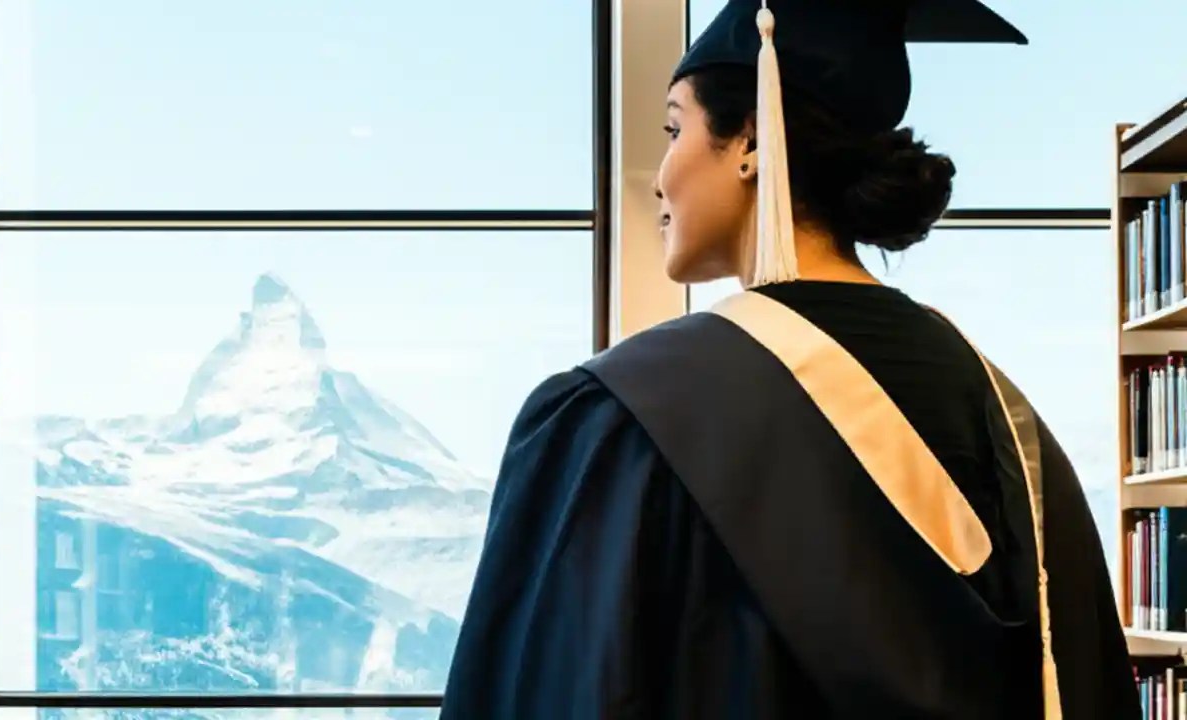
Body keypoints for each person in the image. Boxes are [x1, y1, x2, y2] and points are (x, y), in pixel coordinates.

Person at [439, 0, 1141, 717]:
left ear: (750, 140)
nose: (659, 177)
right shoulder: (1008, 423)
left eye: (675, 130)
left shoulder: (621, 419)